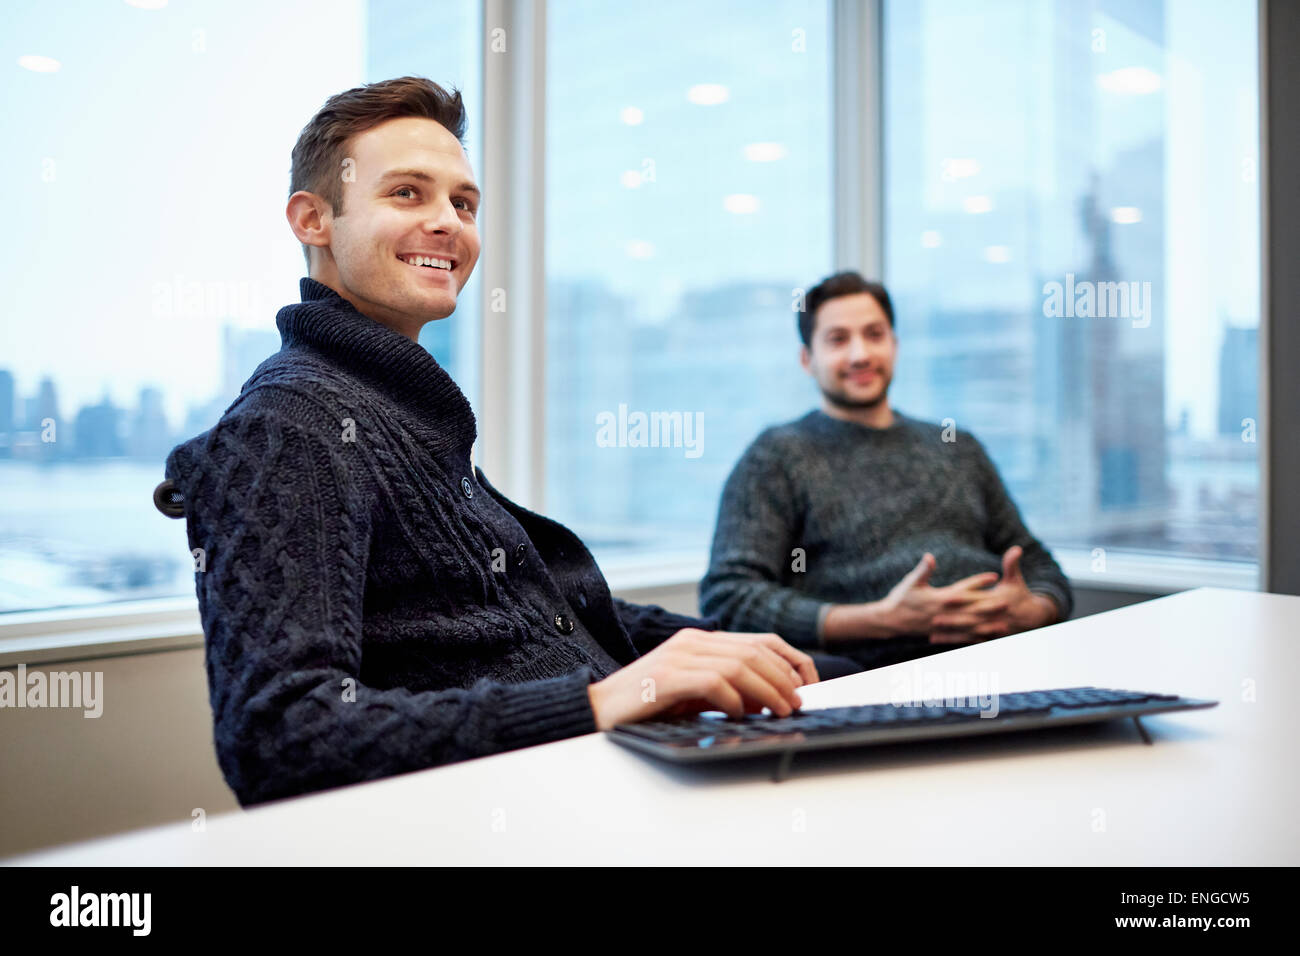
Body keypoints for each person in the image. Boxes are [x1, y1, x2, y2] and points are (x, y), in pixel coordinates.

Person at [163, 76, 822, 807]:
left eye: (463, 203)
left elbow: (555, 616)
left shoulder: (401, 411)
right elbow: (280, 738)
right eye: (407, 193)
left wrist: (818, 665)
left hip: (605, 791)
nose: (448, 222)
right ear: (312, 219)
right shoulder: (287, 426)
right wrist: (609, 699)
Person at [699, 270, 1073, 673]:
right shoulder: (776, 456)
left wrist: (1031, 610)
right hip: (872, 677)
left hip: (1007, 661)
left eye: (874, 334)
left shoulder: (957, 446)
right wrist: (881, 619)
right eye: (838, 339)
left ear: (894, 345)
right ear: (807, 359)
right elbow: (728, 599)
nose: (860, 354)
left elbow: (1039, 565)